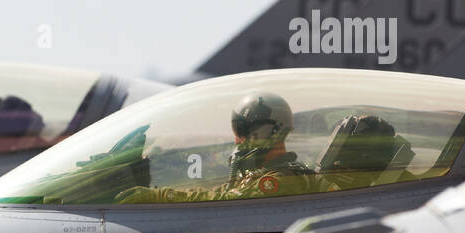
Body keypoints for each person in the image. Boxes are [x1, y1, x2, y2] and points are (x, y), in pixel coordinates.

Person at [116, 91, 328, 203]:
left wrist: (160, 196)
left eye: (243, 132)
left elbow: (223, 199)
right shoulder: (262, 175)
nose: (237, 141)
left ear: (270, 132)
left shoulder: (276, 182)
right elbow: (223, 191)